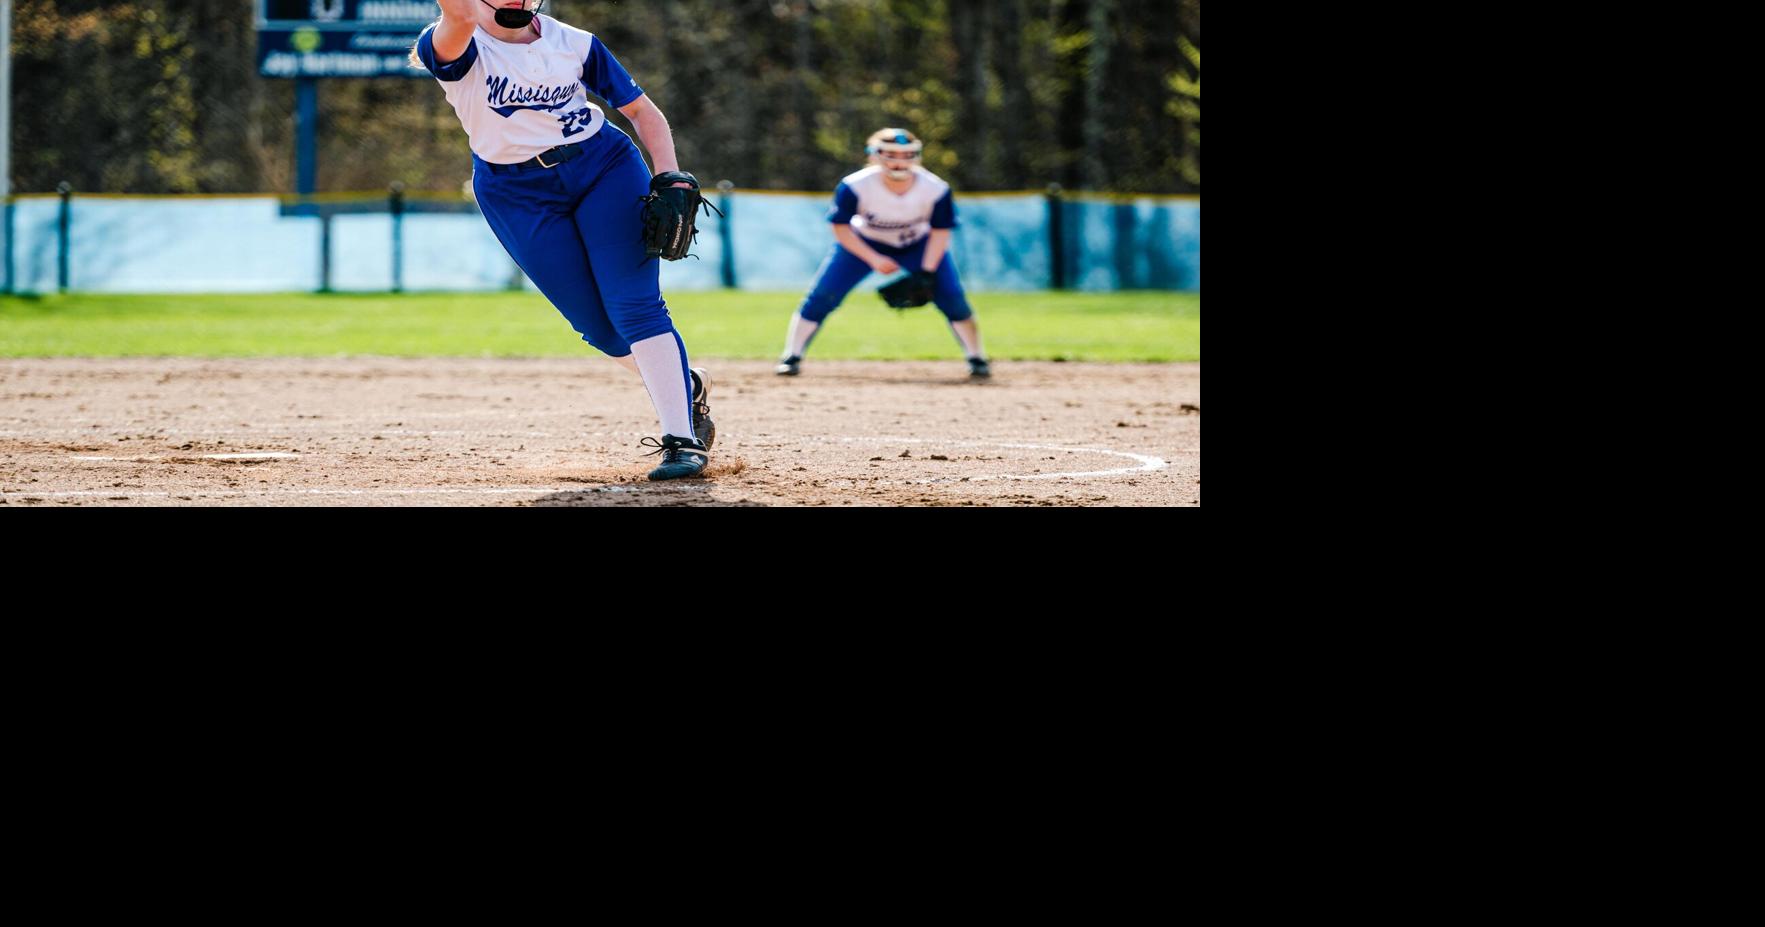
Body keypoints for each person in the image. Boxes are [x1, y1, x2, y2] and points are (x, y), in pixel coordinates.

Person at [412, 0, 713, 480]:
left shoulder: (574, 43)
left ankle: (683, 439)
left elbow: (642, 112)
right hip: (516, 193)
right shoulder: (456, 44)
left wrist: (669, 175)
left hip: (604, 168)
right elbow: (460, 19)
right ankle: (685, 384)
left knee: (634, 306)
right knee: (601, 329)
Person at [775, 128, 990, 379]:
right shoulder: (855, 185)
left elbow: (940, 231)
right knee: (823, 295)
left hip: (918, 245)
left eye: (907, 155)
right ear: (874, 155)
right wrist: (873, 258)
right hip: (865, 243)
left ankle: (976, 357)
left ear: (917, 156)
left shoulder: (935, 188)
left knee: (952, 298)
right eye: (891, 154)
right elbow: (840, 228)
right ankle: (792, 355)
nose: (899, 161)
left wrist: (928, 271)